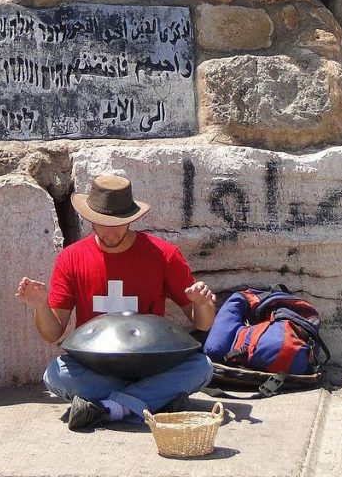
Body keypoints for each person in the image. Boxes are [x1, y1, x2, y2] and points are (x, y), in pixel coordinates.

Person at [16, 174, 216, 431]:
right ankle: (151, 400)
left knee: (201, 367)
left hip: (151, 364)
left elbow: (203, 322)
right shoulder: (71, 258)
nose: (111, 231)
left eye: (119, 223)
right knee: (55, 373)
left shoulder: (164, 255)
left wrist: (201, 304)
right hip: (96, 365)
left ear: (132, 218)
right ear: (90, 218)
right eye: (102, 222)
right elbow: (53, 332)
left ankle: (111, 408)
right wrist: (40, 306)